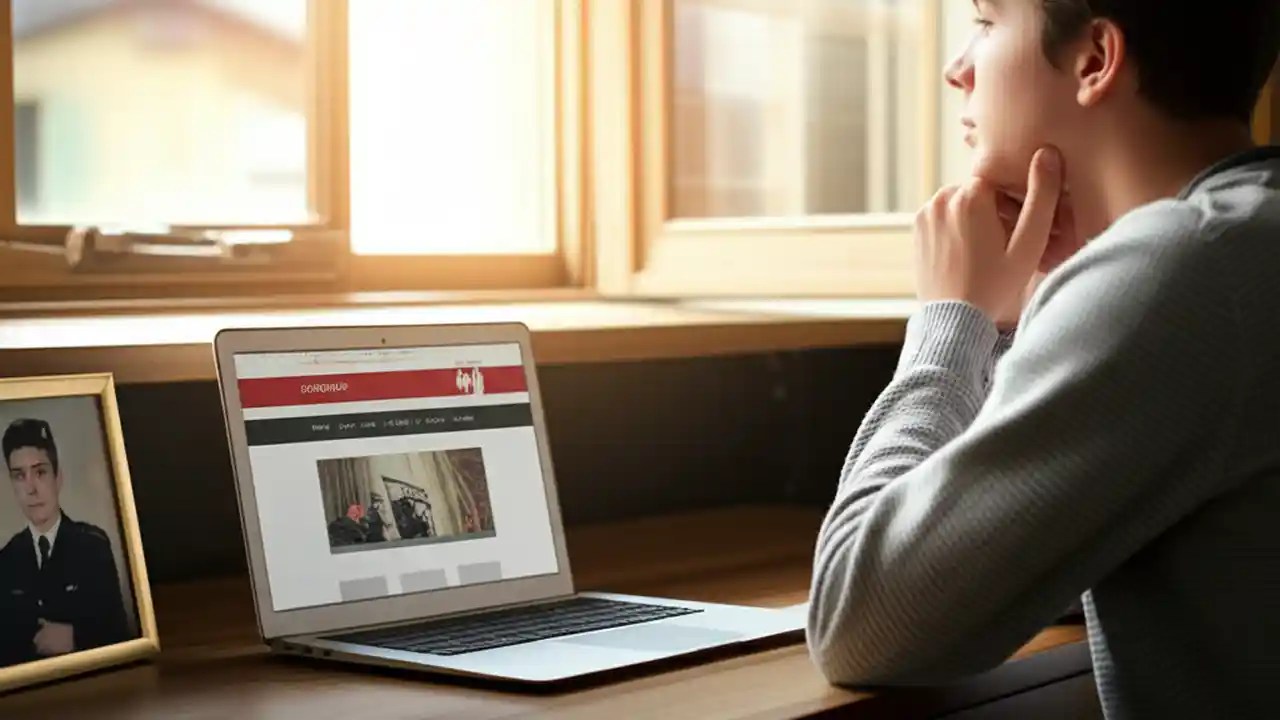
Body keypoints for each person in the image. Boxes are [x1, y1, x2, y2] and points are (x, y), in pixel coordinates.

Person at [806, 1, 1280, 718]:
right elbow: (1043, 559)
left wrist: (952, 322)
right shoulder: (1243, 238)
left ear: (1094, 59)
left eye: (987, 22)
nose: (955, 66)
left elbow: (860, 622)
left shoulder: (1190, 269)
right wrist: (1038, 313)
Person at [0, 418, 131, 668]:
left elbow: (121, 635)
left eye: (40, 472)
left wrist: (75, 638)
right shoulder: (5, 561)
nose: (31, 488)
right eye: (19, 476)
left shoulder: (93, 547)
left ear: (58, 478)